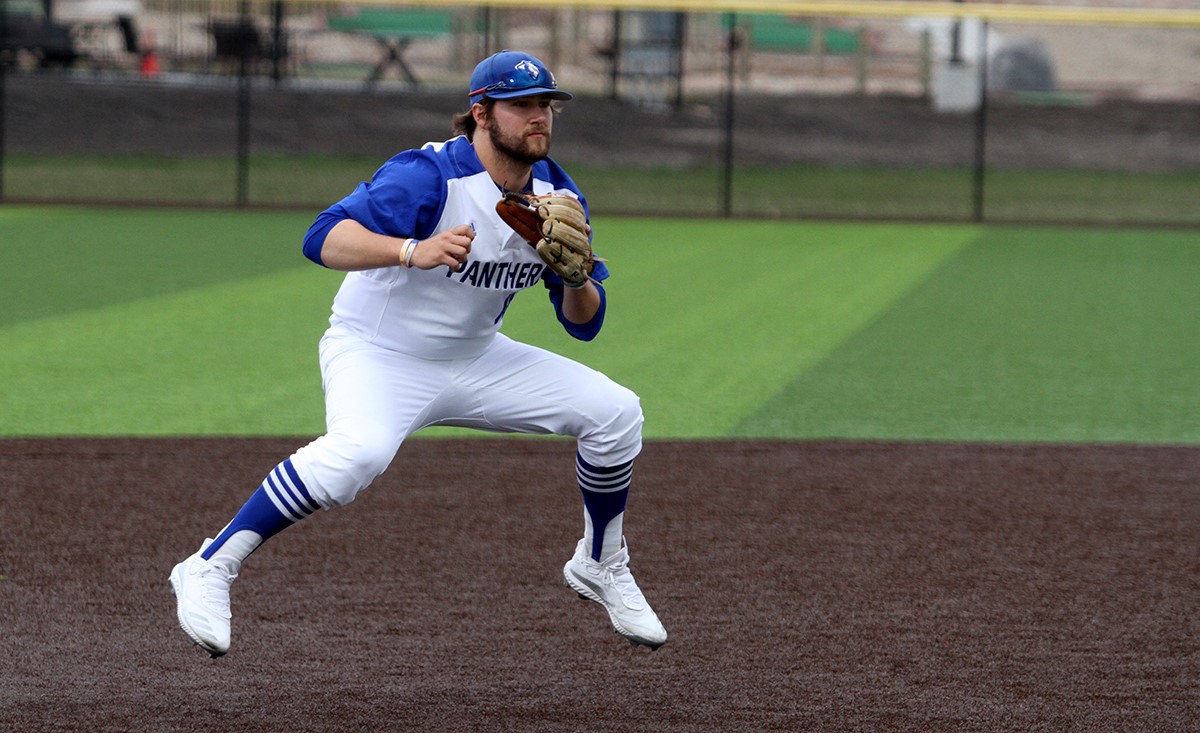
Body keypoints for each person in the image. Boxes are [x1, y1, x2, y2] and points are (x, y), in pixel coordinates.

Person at [168, 50, 668, 657]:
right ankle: (209, 566)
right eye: (522, 106)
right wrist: (413, 250)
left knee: (616, 413)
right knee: (357, 457)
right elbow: (321, 237)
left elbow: (583, 325)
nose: (540, 117)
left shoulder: (557, 195)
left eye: (547, 105)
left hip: (476, 358)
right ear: (481, 113)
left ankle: (600, 562)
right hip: (379, 353)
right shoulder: (430, 175)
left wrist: (576, 274)